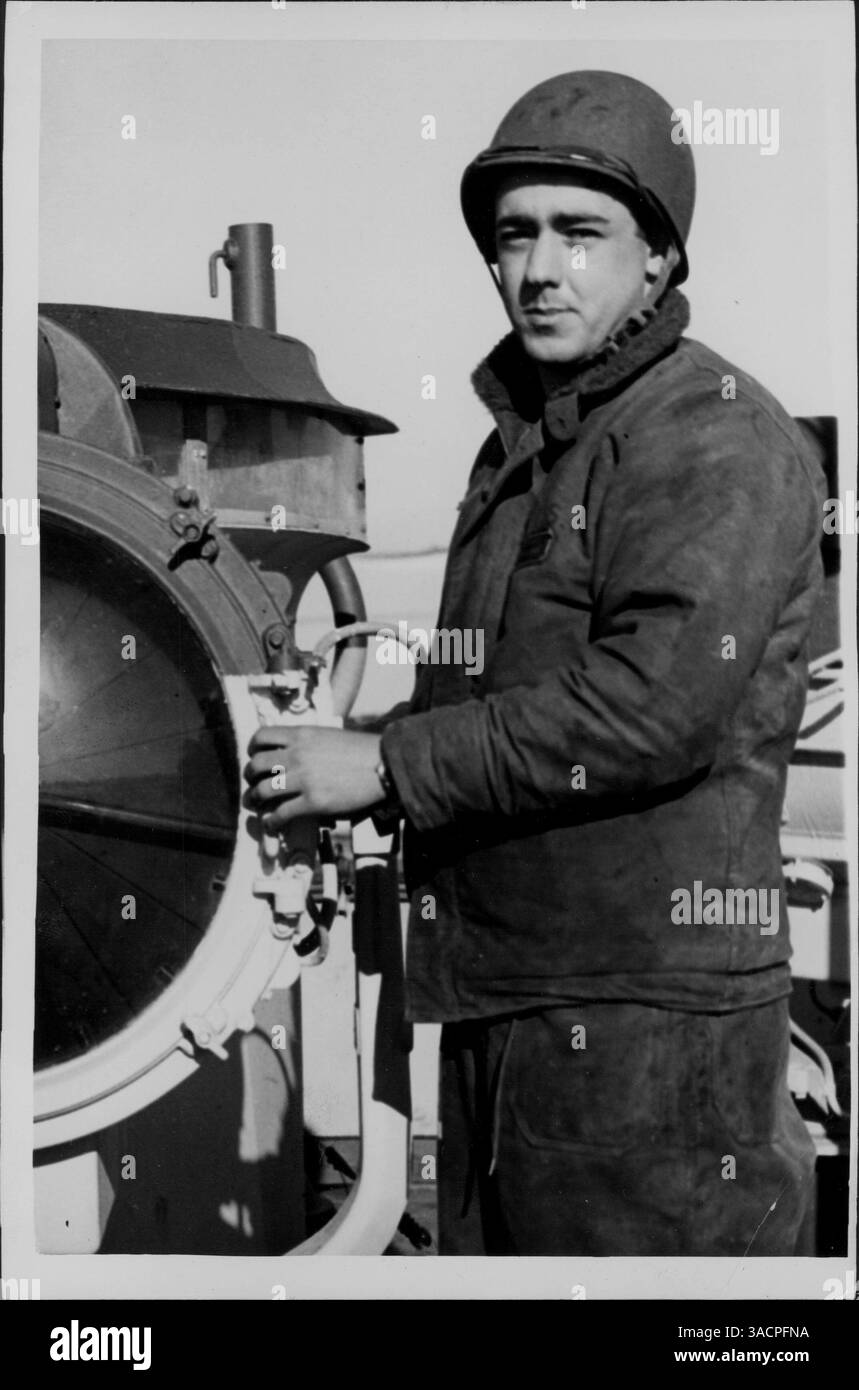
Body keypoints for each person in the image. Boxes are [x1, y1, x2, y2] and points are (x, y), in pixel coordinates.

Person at [244, 71, 824, 1255]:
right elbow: (507, 688)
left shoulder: (709, 433)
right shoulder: (528, 444)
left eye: (581, 232)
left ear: (658, 259)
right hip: (512, 1004)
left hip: (646, 1038)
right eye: (515, 236)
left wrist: (385, 763)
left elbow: (652, 707)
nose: (540, 268)